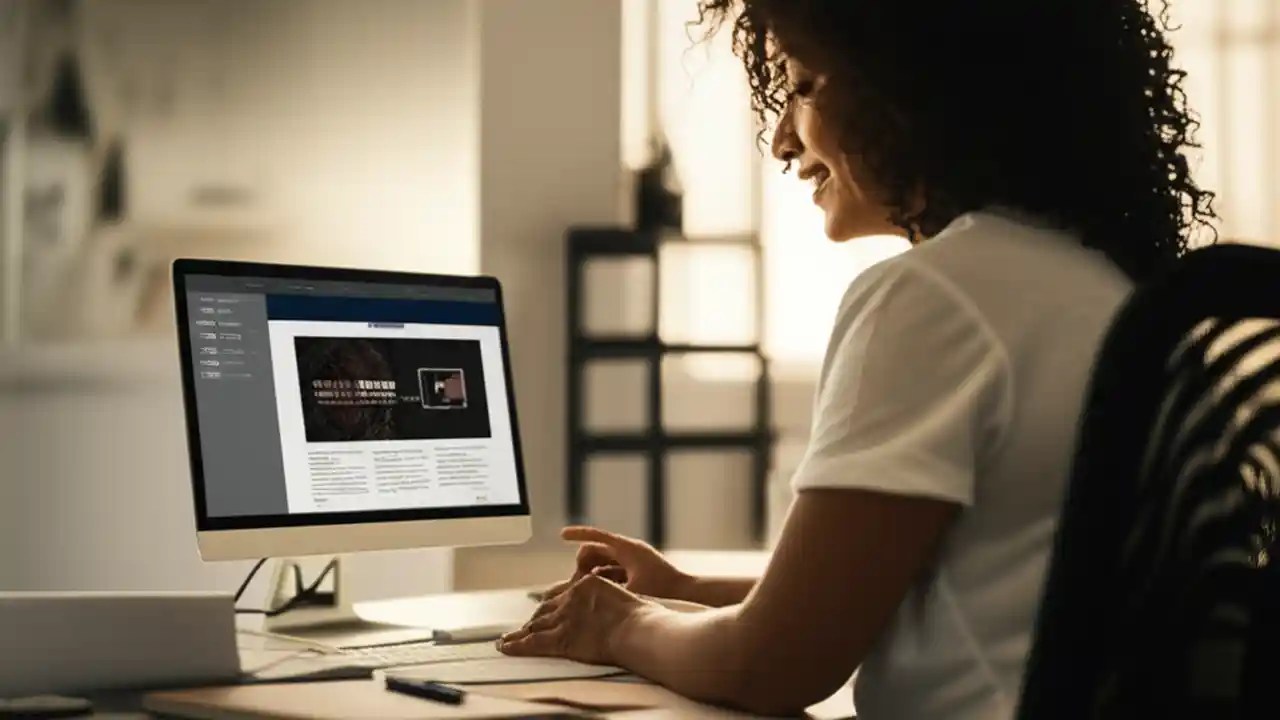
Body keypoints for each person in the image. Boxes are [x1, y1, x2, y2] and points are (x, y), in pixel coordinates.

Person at [498, 1, 1216, 717]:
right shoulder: (1102, 288)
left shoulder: (936, 297)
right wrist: (685, 593)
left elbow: (770, 665)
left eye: (803, 85)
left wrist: (619, 623)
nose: (780, 140)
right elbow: (979, 597)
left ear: (917, 84)